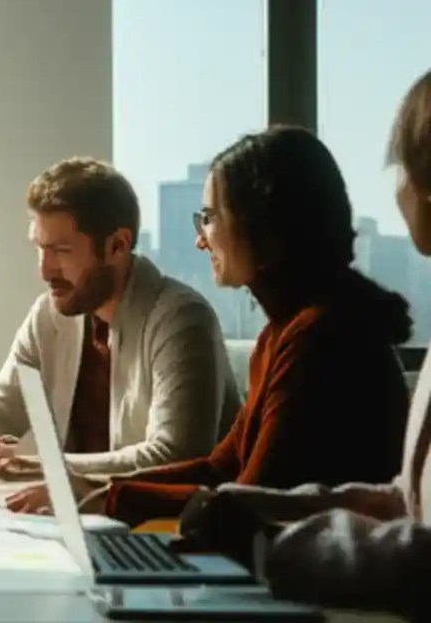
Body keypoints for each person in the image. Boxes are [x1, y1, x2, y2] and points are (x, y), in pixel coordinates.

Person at [14, 127, 412, 526]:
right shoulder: (282, 333)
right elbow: (218, 469)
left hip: (318, 582)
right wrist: (97, 490)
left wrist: (107, 500)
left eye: (209, 218)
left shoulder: (320, 338)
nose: (201, 239)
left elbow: (247, 502)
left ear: (260, 224)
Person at [174, 71, 431, 619]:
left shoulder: (321, 335)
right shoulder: (288, 332)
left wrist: (264, 537)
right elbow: (406, 501)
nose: (398, 190)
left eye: (403, 169)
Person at [0, 158, 239, 491]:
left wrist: (38, 464)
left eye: (61, 250)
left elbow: (175, 457)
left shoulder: (183, 319)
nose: (45, 271)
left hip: (168, 528)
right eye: (40, 249)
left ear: (117, 245)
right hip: (82, 517)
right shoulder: (49, 315)